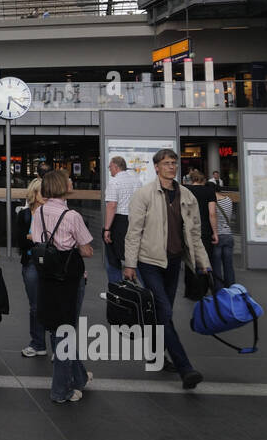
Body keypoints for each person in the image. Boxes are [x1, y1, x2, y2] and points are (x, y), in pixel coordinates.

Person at [122, 148, 211, 389]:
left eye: (174, 163)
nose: (172, 167)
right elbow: (134, 232)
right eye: (167, 163)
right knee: (164, 312)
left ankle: (156, 355)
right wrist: (130, 264)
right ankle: (186, 368)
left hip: (173, 261)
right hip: (149, 261)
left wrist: (203, 263)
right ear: (157, 167)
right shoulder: (144, 194)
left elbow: (194, 233)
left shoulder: (187, 196)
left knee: (163, 313)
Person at [31, 170, 95, 403]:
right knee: (65, 332)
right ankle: (61, 390)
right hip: (70, 280)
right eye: (68, 179)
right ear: (61, 186)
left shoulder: (39, 212)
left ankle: (78, 378)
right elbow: (87, 250)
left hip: (47, 276)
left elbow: (38, 241)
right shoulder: (72, 216)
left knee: (55, 327)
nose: (71, 181)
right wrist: (74, 246)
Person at [16, 178, 48, 359]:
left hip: (52, 264)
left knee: (53, 304)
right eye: (42, 192)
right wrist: (38, 236)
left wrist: (32, 236)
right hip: (31, 263)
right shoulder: (25, 215)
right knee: (35, 305)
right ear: (34, 194)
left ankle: (58, 346)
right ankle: (37, 343)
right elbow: (20, 240)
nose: (46, 195)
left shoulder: (54, 213)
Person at [103, 155, 141, 285]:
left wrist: (107, 228)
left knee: (113, 257)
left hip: (119, 221)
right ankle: (147, 288)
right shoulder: (137, 180)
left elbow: (112, 206)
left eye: (110, 167)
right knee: (135, 254)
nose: (109, 170)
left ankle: (116, 289)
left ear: (115, 166)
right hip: (135, 220)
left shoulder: (114, 182)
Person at [184, 169, 219, 294]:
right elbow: (212, 213)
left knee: (190, 258)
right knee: (204, 258)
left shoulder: (186, 191)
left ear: (192, 179)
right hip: (204, 229)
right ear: (203, 180)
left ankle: (190, 289)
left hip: (189, 228)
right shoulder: (209, 191)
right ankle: (203, 288)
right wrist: (215, 232)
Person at [211, 186, 235, 287]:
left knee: (216, 265)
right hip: (228, 235)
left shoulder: (212, 202)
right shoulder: (228, 200)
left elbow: (213, 216)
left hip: (218, 235)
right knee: (228, 264)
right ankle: (231, 286)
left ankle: (219, 288)